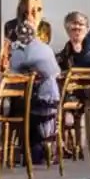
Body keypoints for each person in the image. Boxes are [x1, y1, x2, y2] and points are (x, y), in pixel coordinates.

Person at [9, 22, 61, 165]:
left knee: (20, 108)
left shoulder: (22, 51)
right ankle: (38, 151)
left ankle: (28, 151)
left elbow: (14, 70)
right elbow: (55, 72)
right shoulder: (45, 49)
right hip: (48, 99)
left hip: (38, 99)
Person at [2, 0, 51, 70]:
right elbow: (7, 48)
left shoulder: (44, 27)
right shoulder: (10, 26)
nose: (32, 14)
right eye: (26, 11)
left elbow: (43, 46)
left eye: (38, 9)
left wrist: (34, 30)